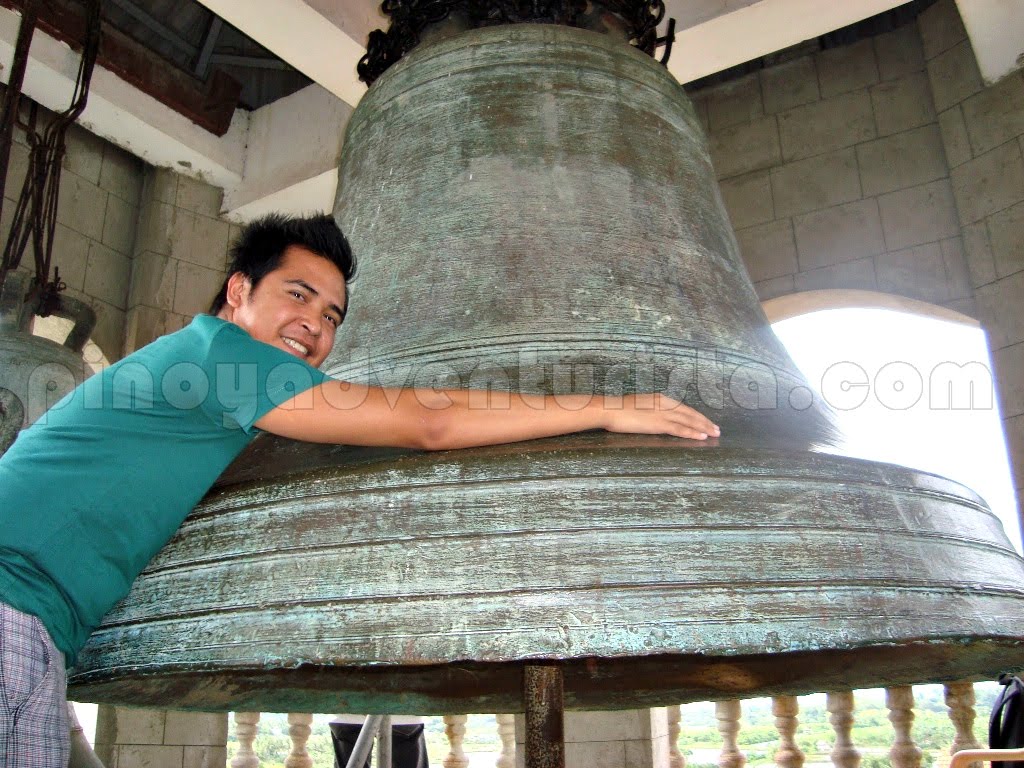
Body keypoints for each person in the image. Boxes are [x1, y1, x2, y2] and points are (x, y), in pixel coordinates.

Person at [0, 213, 719, 767]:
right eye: (298, 295)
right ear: (239, 290)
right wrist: (601, 407)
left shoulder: (201, 381)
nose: (315, 325)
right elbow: (425, 422)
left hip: (39, 627)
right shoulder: (220, 356)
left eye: (333, 316)